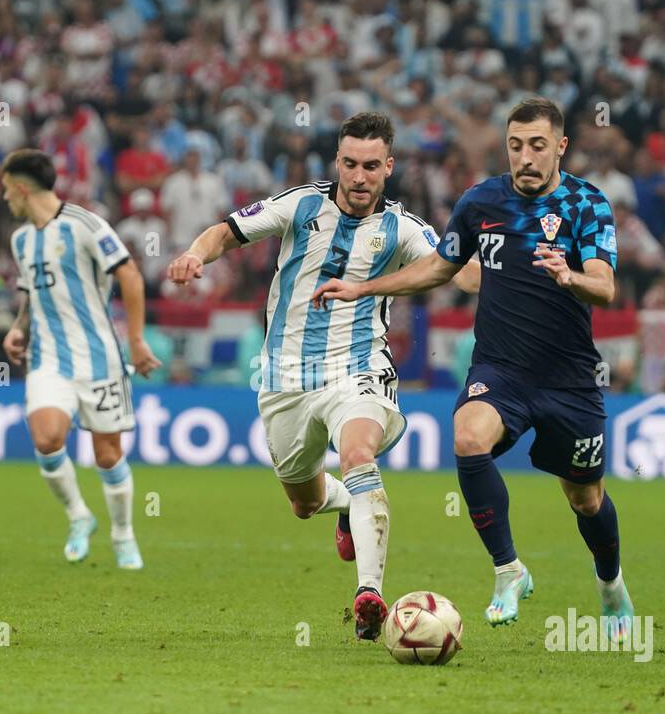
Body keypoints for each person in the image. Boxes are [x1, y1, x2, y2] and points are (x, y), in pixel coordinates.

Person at [312, 97, 635, 643]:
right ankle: (509, 570)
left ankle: (611, 585)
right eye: (515, 146)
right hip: (500, 369)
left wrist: (570, 277)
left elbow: (605, 286)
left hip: (570, 378)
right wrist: (363, 287)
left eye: (537, 146)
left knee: (586, 499)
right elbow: (441, 266)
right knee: (466, 437)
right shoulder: (482, 201)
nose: (525, 157)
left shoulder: (586, 203)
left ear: (560, 146)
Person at [167, 112, 461, 641]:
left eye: (371, 166)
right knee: (303, 503)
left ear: (388, 167)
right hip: (284, 376)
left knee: (357, 456)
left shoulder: (405, 228)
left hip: (359, 369)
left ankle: (369, 593)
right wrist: (195, 253)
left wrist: (505, 267)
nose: (358, 176)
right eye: (349, 163)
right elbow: (226, 232)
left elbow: (451, 267)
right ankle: (346, 507)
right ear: (337, 162)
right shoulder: (300, 203)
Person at [0, 149, 162, 568]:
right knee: (47, 438)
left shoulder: (85, 224)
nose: (4, 199)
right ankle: (79, 516)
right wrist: (19, 328)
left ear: (21, 188)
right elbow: (31, 293)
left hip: (99, 358)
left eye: (5, 190)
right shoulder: (21, 239)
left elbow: (129, 274)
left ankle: (123, 534)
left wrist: (138, 340)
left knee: (107, 454)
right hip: (48, 358)